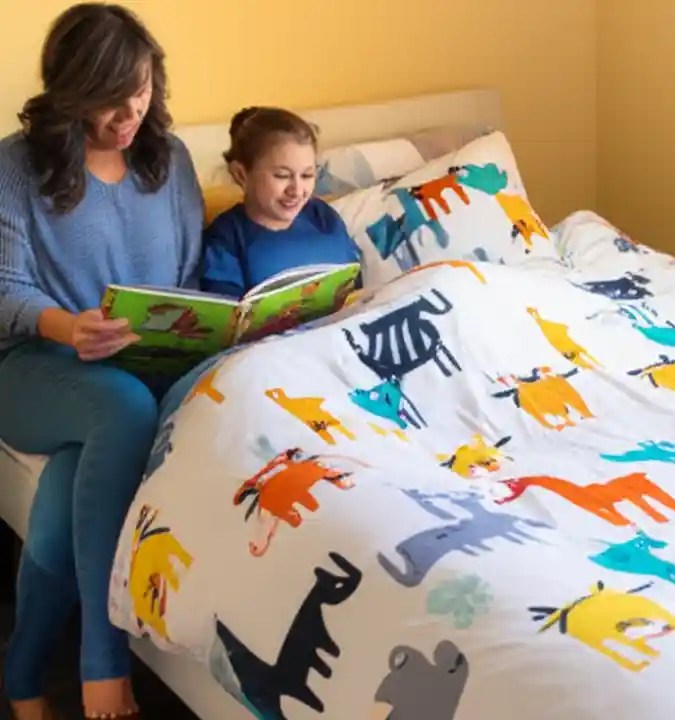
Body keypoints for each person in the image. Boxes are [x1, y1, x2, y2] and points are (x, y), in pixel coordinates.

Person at [0, 4, 203, 718]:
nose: (129, 113)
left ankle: (22, 674)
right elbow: (3, 287)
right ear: (69, 93)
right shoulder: (16, 166)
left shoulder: (170, 159)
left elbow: (187, 275)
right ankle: (103, 663)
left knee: (68, 488)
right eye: (110, 98)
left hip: (135, 368)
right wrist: (66, 327)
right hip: (33, 368)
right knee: (122, 406)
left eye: (140, 91)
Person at [200, 107, 360, 298]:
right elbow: (225, 309)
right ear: (241, 174)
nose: (297, 191)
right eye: (282, 175)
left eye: (307, 175)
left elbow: (356, 283)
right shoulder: (227, 238)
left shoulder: (324, 218)